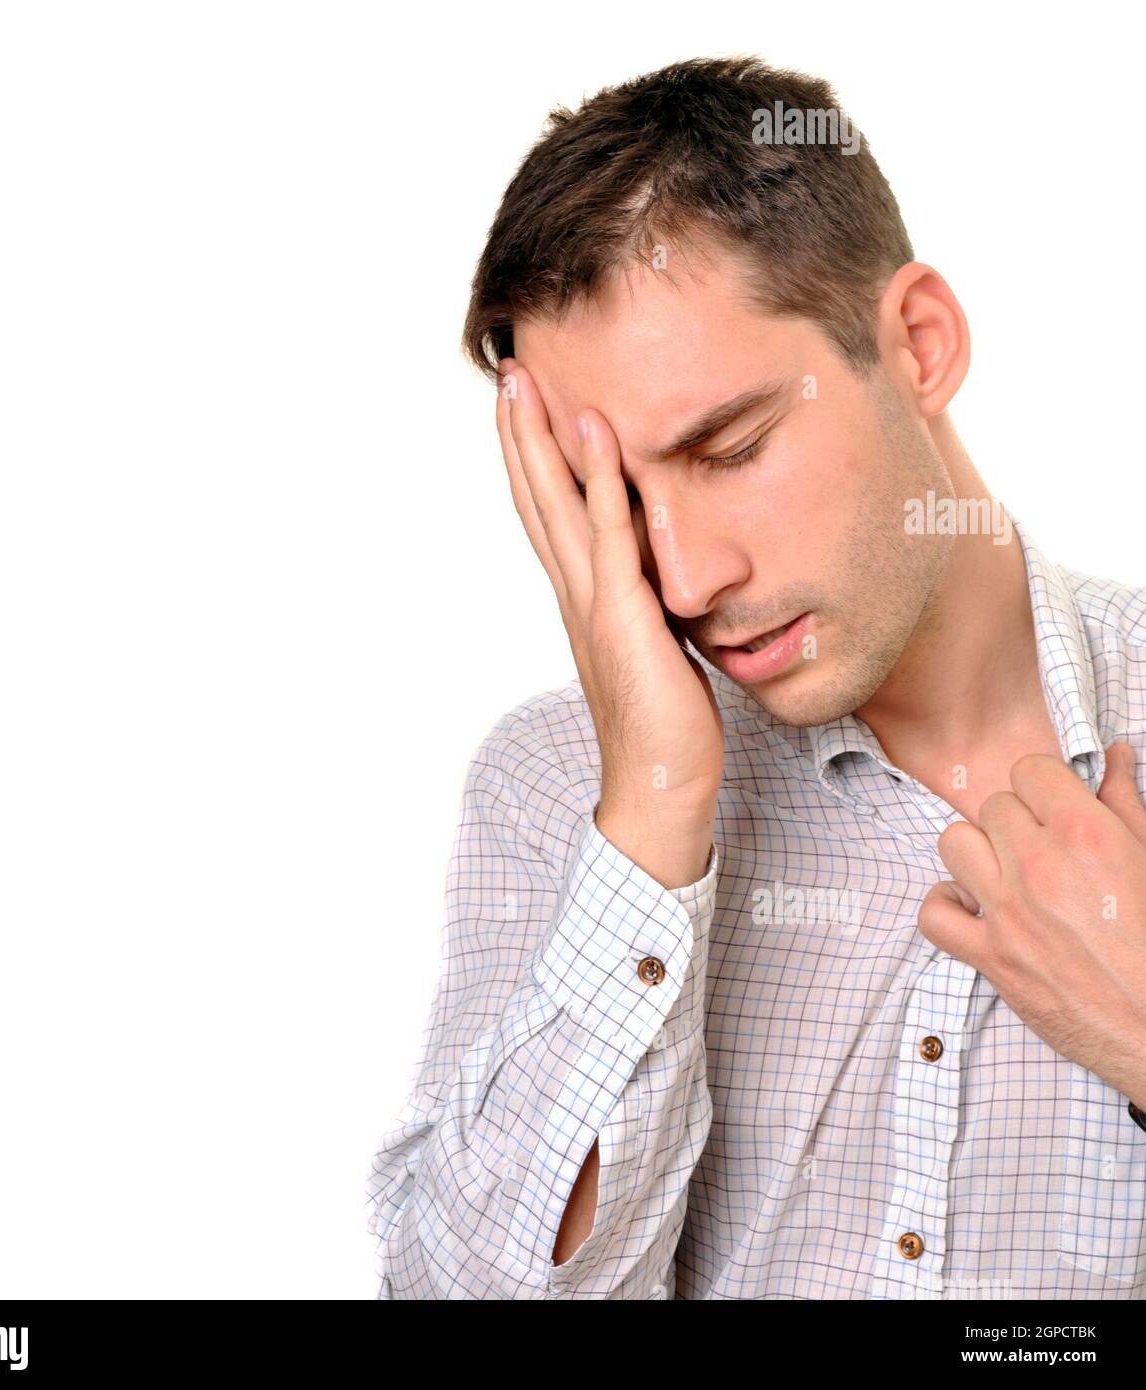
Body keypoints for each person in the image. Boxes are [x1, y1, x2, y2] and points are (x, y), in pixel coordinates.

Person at [363, 55, 1146, 1300]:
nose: (680, 578)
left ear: (921, 346)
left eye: (727, 449)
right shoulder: (555, 788)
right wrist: (653, 815)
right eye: (609, 503)